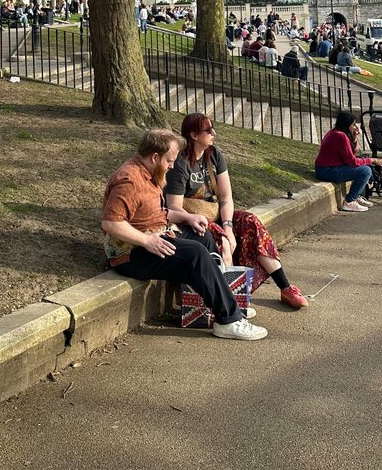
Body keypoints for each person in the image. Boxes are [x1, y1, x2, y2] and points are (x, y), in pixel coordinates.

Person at [102, 129, 268, 341]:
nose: (172, 166)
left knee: (202, 235)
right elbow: (110, 223)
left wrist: (187, 218)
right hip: (132, 254)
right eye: (169, 161)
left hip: (154, 238)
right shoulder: (129, 180)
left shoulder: (149, 172)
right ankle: (229, 320)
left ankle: (224, 302)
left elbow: (155, 214)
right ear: (155, 157)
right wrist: (147, 240)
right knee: (195, 253)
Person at [164, 114, 308, 310]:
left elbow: (225, 198)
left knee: (250, 221)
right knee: (220, 240)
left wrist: (228, 227)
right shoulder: (180, 163)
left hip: (214, 213)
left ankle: (286, 287)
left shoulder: (213, 155)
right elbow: (173, 206)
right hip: (191, 219)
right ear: (194, 135)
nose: (213, 133)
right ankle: (230, 298)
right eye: (208, 130)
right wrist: (219, 231)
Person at [315, 111, 382, 212]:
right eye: (353, 124)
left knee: (364, 167)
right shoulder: (340, 136)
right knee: (366, 171)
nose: (355, 127)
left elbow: (349, 155)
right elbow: (352, 162)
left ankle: (357, 196)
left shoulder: (335, 132)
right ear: (347, 125)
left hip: (327, 168)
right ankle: (350, 201)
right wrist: (372, 160)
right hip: (327, 170)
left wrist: (354, 139)